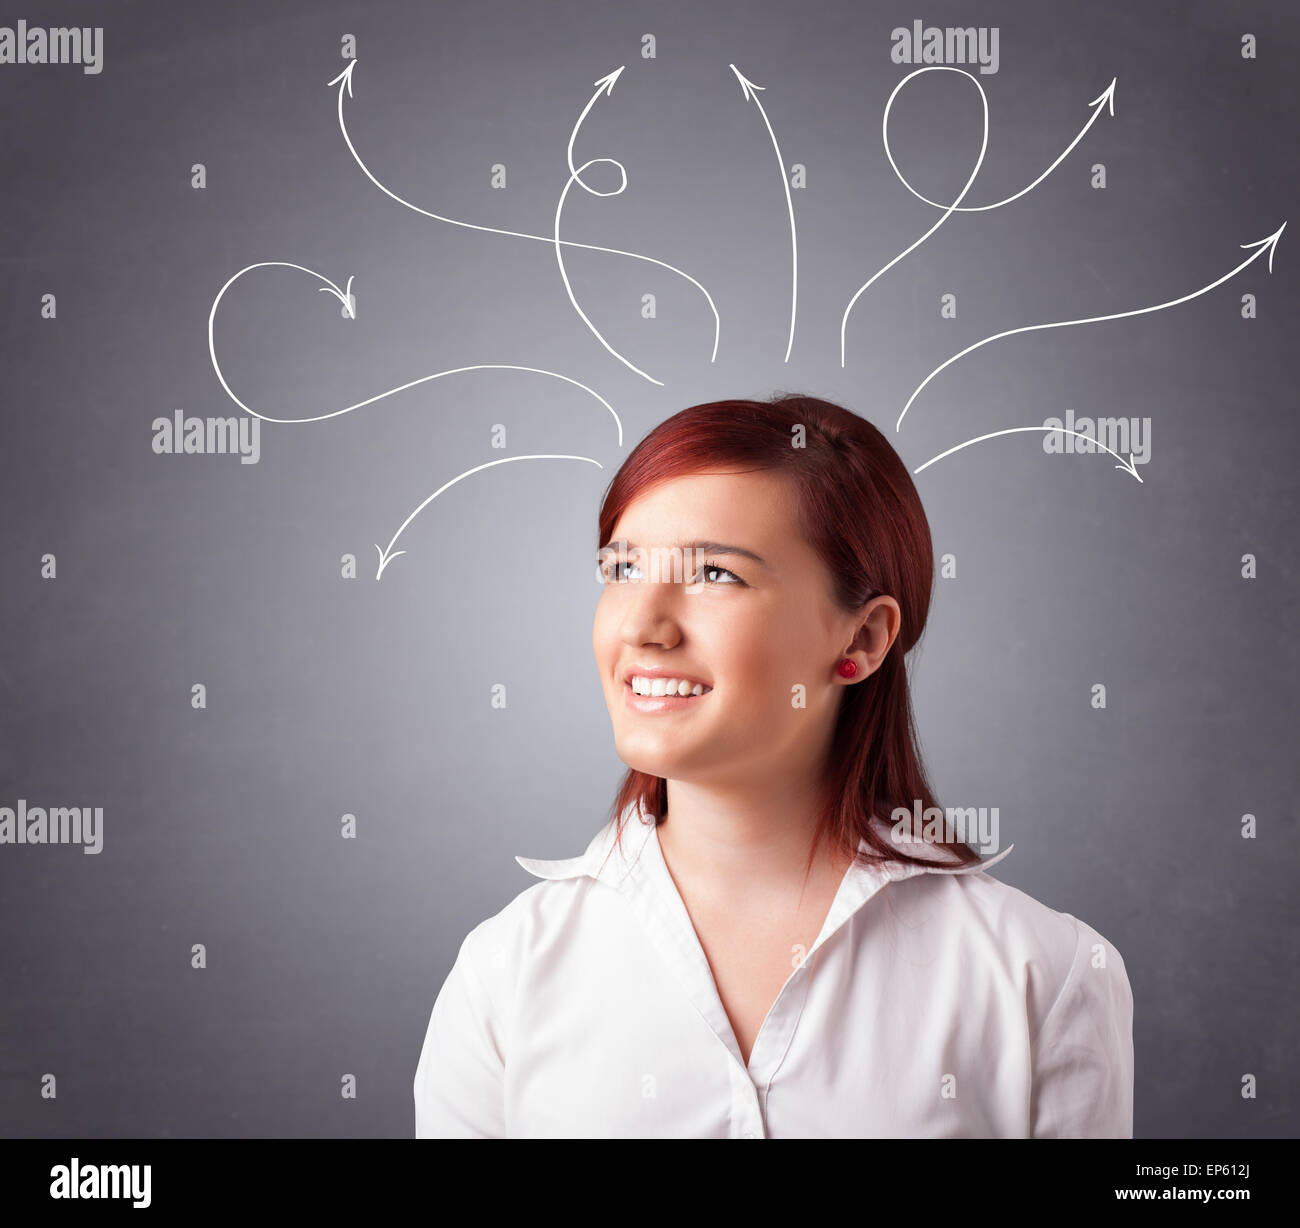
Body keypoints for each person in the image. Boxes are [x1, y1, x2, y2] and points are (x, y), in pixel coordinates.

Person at [414, 392, 1134, 1138]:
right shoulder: (504, 972)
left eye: (716, 575)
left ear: (861, 639)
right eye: (622, 568)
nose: (640, 626)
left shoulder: (1041, 977)